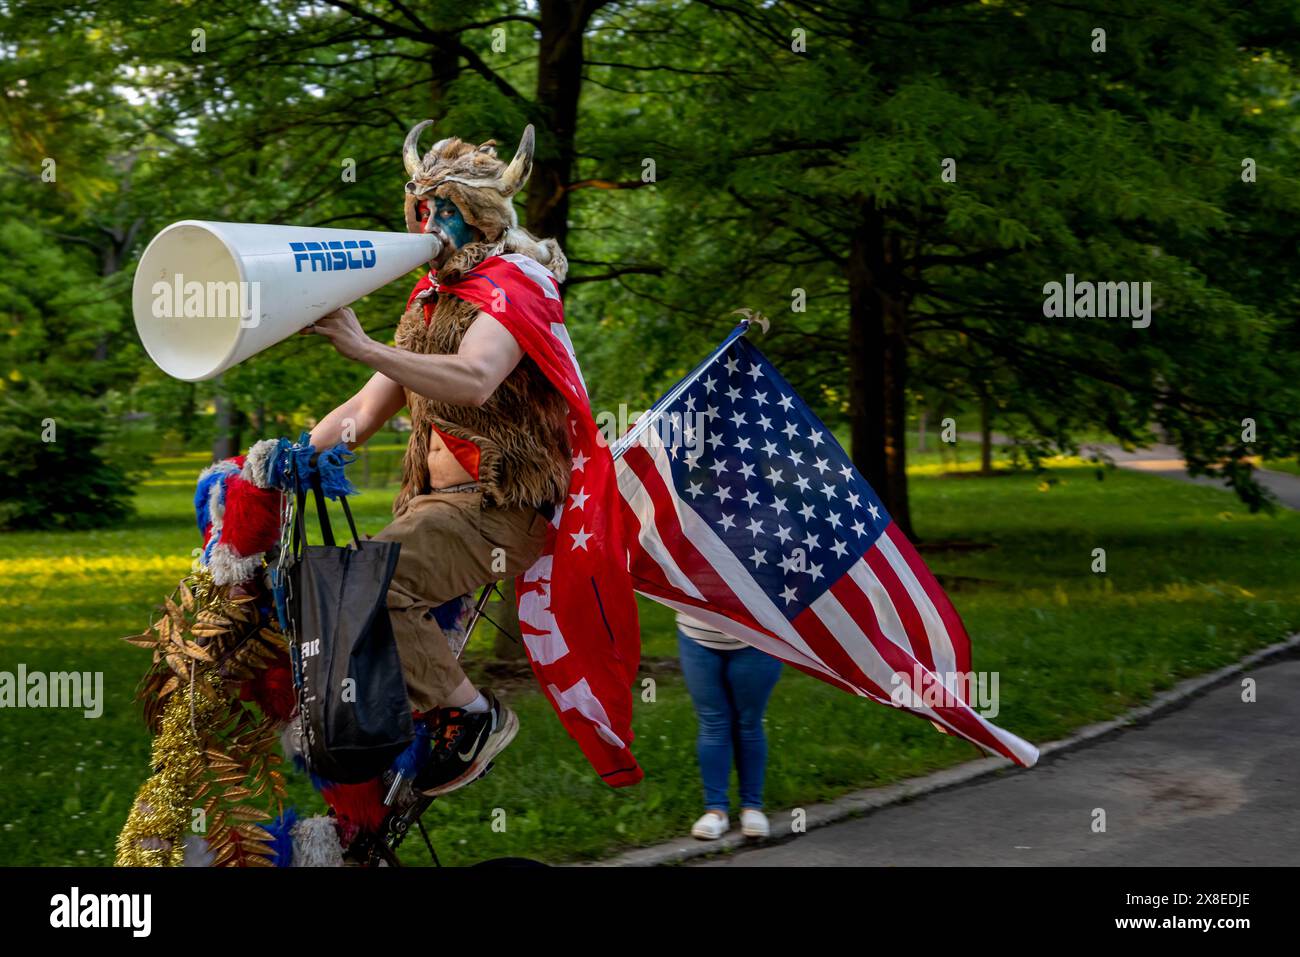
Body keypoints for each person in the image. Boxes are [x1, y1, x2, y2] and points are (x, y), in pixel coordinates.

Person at [304, 121, 572, 798]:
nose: (432, 224)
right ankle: (382, 741)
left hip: (499, 507)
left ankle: (474, 717)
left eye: (447, 210)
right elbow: (364, 414)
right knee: (332, 589)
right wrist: (286, 459)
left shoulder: (519, 285)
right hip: (434, 508)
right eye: (424, 210)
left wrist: (365, 346)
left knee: (376, 580)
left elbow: (476, 377)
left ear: (481, 220)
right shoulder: (425, 303)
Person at [676, 610, 783, 839]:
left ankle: (752, 807)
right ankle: (716, 811)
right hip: (696, 634)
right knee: (713, 723)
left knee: (748, 723)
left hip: (759, 636)